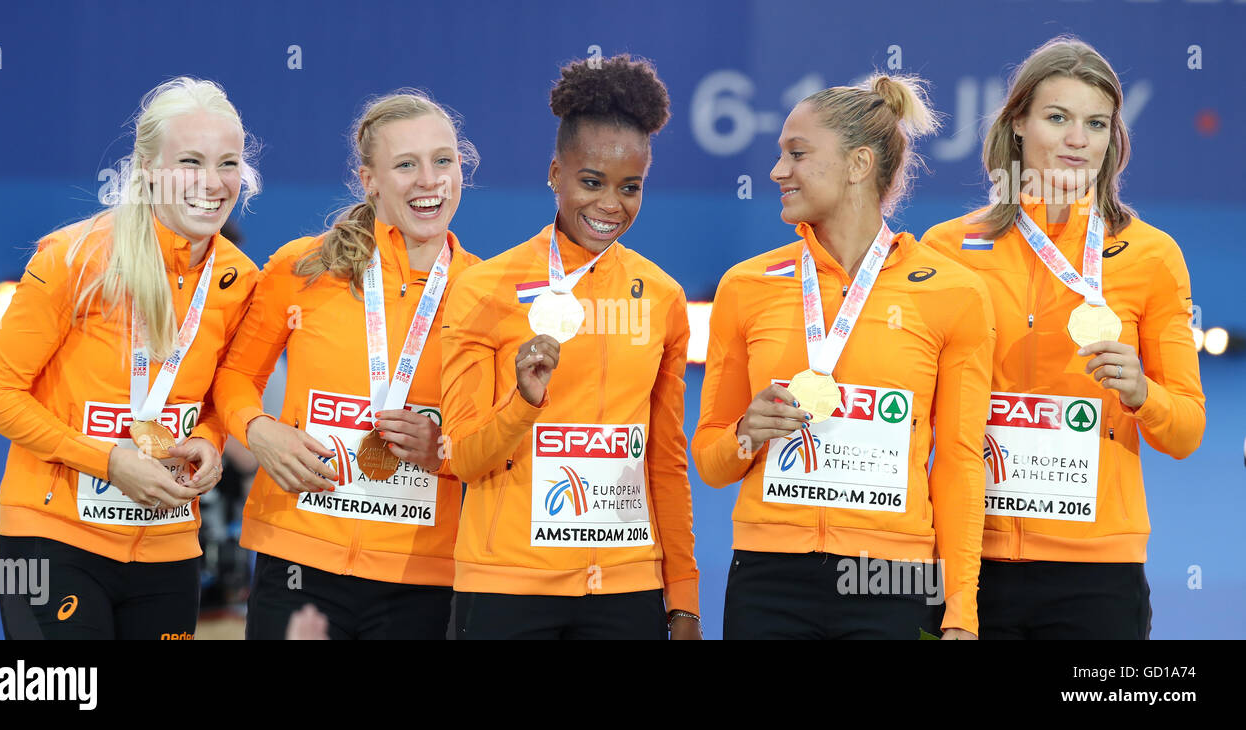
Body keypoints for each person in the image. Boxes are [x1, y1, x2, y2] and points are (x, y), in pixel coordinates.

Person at [693, 75, 995, 640]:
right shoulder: (746, 284)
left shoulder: (954, 292)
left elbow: (958, 464)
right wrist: (744, 433)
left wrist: (961, 610)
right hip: (769, 572)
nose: (778, 171)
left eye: (796, 154)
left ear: (858, 164)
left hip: (894, 576)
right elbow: (711, 462)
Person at [922, 36, 1205, 639]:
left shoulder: (1152, 256)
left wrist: (1142, 394)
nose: (1079, 140)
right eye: (1058, 118)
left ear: (1113, 138)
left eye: (1096, 123)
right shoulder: (945, 250)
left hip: (1096, 575)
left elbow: (1186, 431)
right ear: (1018, 123)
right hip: (965, 560)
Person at [0, 77, 260, 639]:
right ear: (148, 168)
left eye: (227, 163)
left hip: (169, 545)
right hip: (54, 539)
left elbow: (220, 395)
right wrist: (108, 461)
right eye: (190, 161)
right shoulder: (74, 257)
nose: (211, 182)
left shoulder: (239, 279)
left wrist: (210, 439)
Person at [440, 55, 700, 640]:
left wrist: (683, 598)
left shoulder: (662, 296)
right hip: (505, 586)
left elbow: (665, 461)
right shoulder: (484, 288)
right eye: (591, 182)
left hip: (626, 591)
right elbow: (461, 457)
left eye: (630, 187)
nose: (611, 204)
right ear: (555, 172)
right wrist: (522, 403)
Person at [211, 91, 480, 639]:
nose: (429, 179)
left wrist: (445, 452)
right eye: (406, 164)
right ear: (370, 180)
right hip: (298, 567)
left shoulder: (487, 293)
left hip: (422, 577)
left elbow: (500, 443)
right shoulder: (303, 268)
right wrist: (258, 431)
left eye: (443, 160)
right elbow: (235, 377)